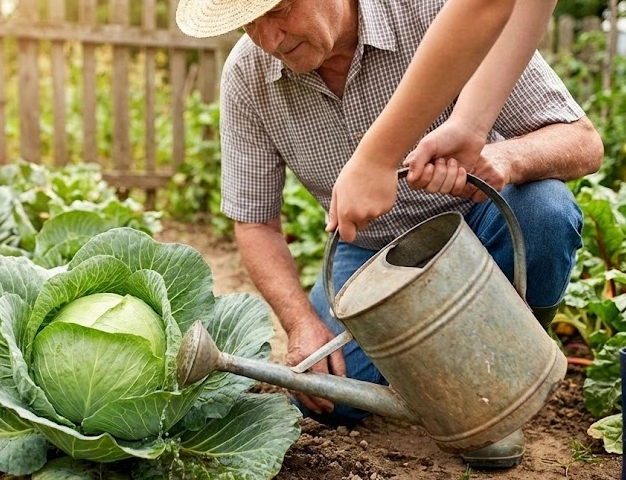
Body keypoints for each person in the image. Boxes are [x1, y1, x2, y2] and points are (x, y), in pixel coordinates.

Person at [175, 0, 603, 469]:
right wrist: (301, 324)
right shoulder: (247, 76)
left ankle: (509, 370)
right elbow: (254, 220)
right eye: (248, 23)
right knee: (328, 397)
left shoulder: (434, 12)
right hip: (373, 257)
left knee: (546, 209)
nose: (270, 39)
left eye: (282, 10)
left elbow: (582, 141)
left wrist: (506, 159)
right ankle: (452, 370)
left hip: (479, 230)